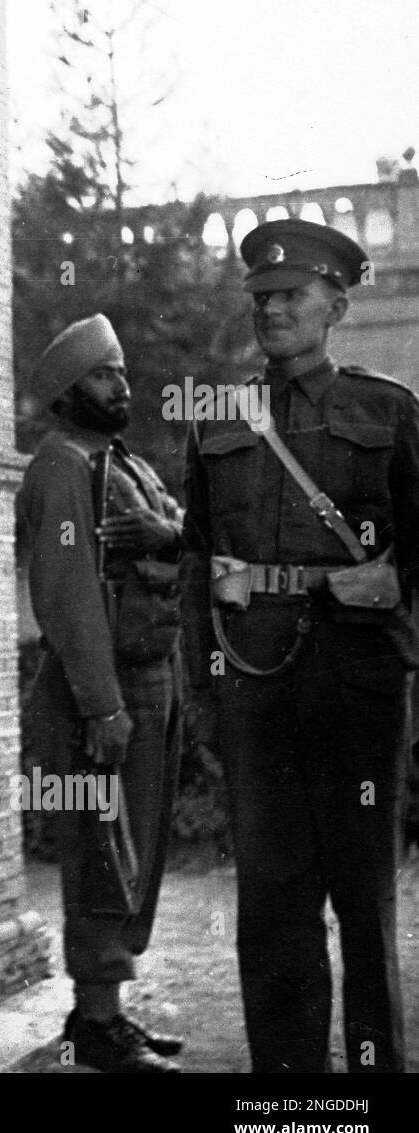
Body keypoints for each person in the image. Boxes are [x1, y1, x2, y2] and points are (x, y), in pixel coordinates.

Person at [182, 219, 417, 1074]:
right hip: (256, 686)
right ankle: (292, 1101)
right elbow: (193, 562)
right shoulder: (218, 418)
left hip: (360, 686)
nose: (273, 309)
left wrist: (393, 612)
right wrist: (206, 696)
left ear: (338, 306)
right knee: (273, 902)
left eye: (293, 296)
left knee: (363, 900)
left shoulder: (387, 410)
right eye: (263, 297)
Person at [17, 314, 186, 1074]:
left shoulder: (122, 462)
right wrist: (103, 705)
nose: (122, 386)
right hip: (102, 690)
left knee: (137, 848)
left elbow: (179, 528)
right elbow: (66, 594)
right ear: (66, 393)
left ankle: (104, 1007)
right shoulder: (61, 465)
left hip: (151, 674)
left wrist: (160, 530)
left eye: (120, 372)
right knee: (100, 851)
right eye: (104, 376)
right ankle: (96, 1020)